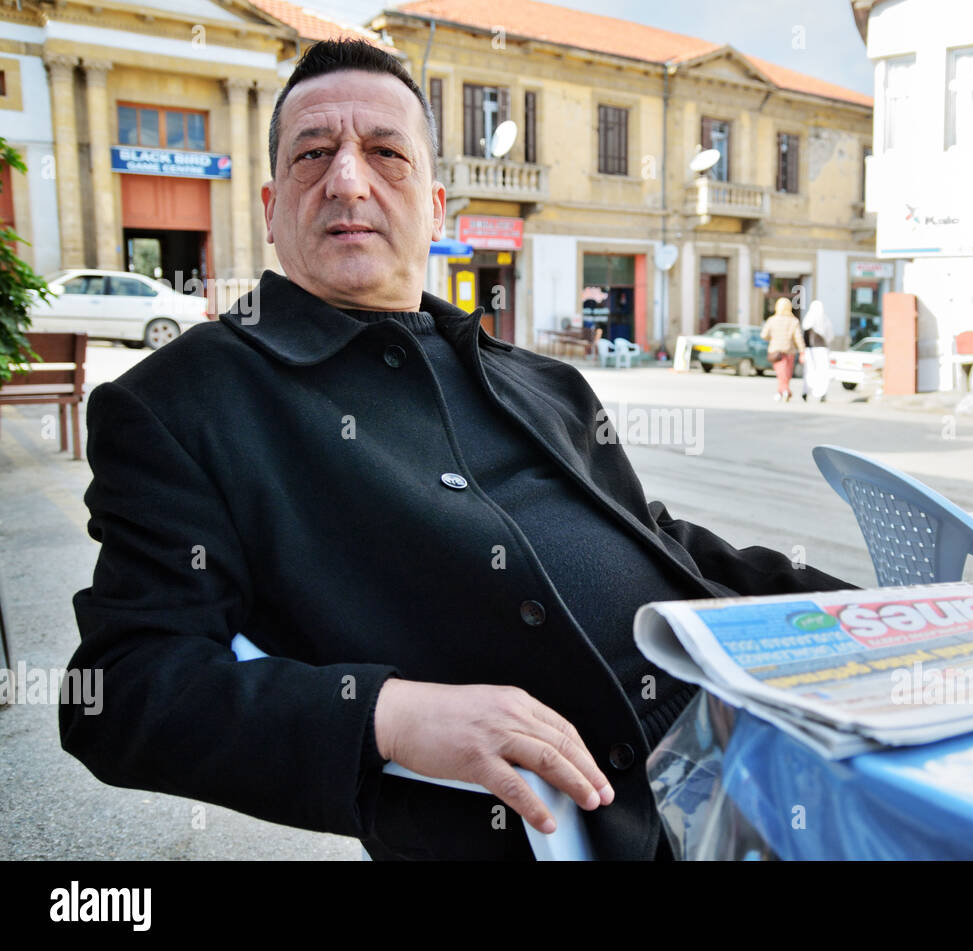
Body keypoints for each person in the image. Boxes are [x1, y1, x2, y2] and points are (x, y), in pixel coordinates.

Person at [58, 39, 853, 861]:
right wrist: (389, 714)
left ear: (436, 205)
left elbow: (658, 539)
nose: (347, 180)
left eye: (385, 153)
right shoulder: (184, 403)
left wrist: (869, 610)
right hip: (581, 821)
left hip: (759, 729)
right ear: (269, 205)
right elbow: (116, 692)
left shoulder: (540, 379)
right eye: (313, 154)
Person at [760, 297, 805, 402]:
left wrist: (772, 338)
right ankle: (784, 391)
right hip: (789, 351)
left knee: (781, 374)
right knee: (787, 374)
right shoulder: (793, 321)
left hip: (776, 351)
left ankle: (782, 391)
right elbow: (798, 337)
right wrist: (802, 350)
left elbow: (763, 335)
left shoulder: (772, 320)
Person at [800, 300, 833, 403]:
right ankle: (820, 393)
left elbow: (804, 336)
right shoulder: (825, 320)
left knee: (810, 371)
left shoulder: (808, 320)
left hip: (810, 350)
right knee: (821, 372)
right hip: (821, 349)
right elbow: (830, 335)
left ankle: (807, 391)